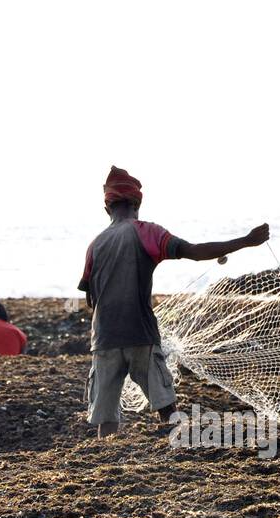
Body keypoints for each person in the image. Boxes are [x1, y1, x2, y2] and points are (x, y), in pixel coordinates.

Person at [79, 165, 268, 436]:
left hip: (104, 340)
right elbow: (193, 251)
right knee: (166, 405)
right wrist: (245, 241)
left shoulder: (95, 245)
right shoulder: (146, 232)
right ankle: (177, 445)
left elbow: (90, 298)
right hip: (140, 335)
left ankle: (104, 455)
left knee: (106, 417)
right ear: (137, 203)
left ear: (107, 208)